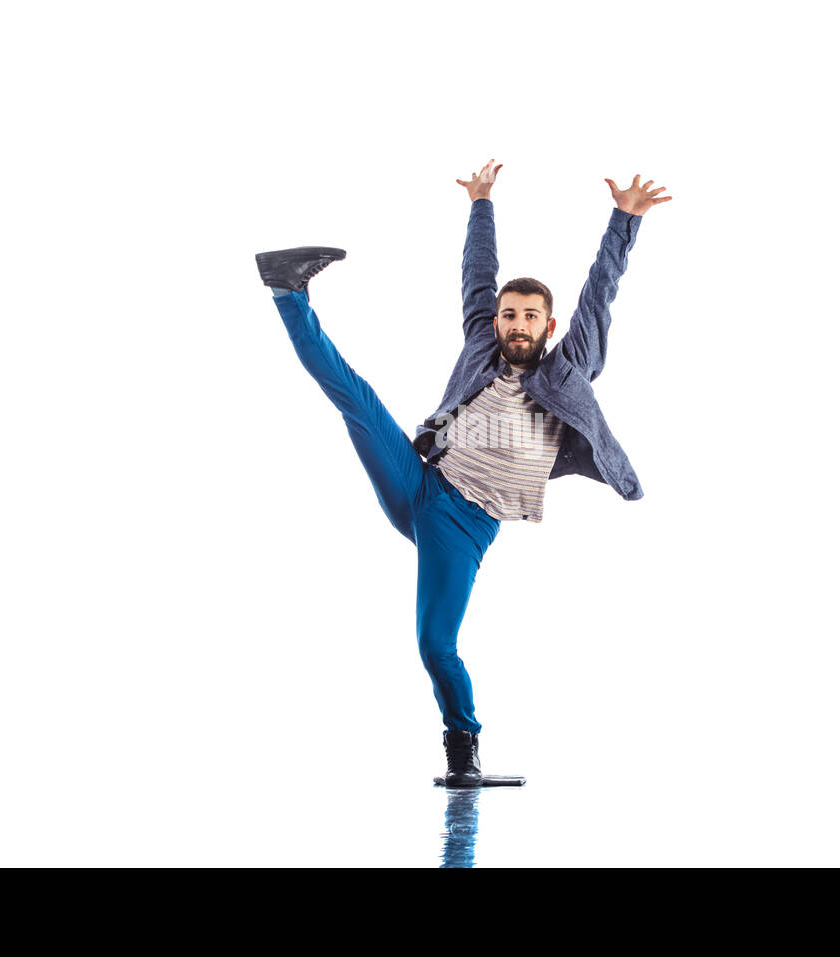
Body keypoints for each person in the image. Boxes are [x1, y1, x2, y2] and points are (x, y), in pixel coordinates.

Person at [253, 159, 671, 786]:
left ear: (548, 327)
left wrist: (625, 220)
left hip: (463, 523)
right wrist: (481, 202)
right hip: (421, 481)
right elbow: (478, 276)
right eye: (509, 315)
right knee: (352, 395)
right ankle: (288, 290)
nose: (517, 324)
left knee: (434, 646)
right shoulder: (482, 341)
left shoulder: (568, 367)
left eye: (530, 316)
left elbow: (600, 289)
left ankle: (463, 745)